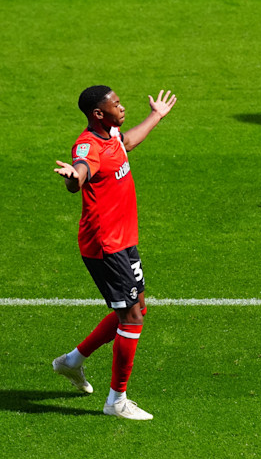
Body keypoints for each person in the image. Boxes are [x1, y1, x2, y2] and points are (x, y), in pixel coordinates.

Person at [52, 85, 177, 421]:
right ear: (98, 113)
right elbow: (80, 169)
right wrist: (72, 178)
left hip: (122, 239)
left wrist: (156, 116)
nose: (122, 108)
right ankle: (116, 401)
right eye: (117, 104)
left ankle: (72, 361)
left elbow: (127, 144)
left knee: (135, 308)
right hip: (106, 244)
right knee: (132, 316)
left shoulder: (111, 134)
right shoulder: (88, 145)